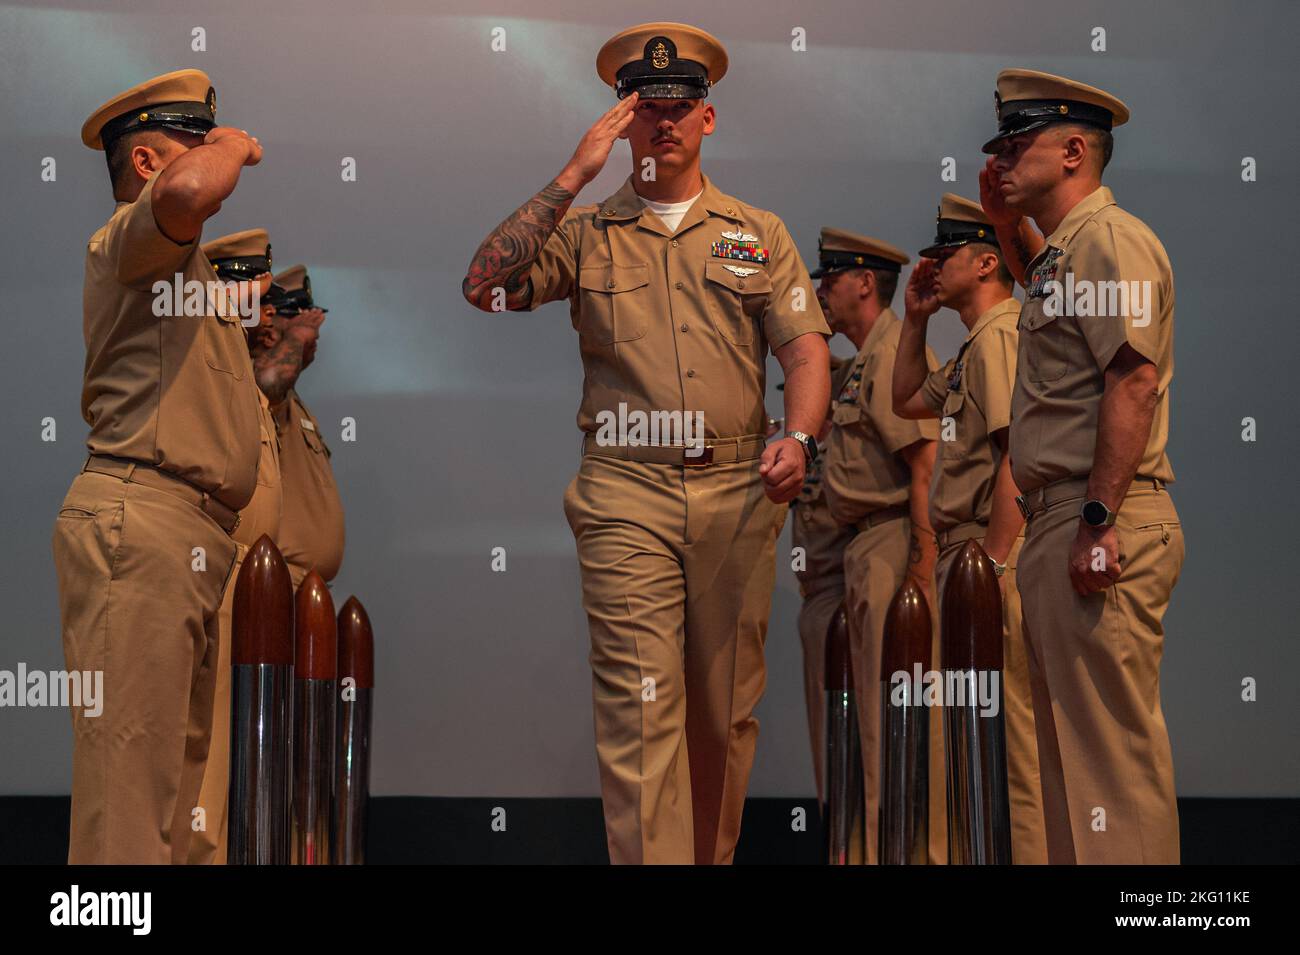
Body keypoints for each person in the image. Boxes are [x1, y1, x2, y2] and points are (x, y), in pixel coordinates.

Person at [461, 22, 831, 864]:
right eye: (645, 107)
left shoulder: (757, 233)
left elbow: (806, 350)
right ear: (622, 121)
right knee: (639, 706)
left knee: (721, 713)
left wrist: (801, 437)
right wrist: (570, 176)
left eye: (681, 106)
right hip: (626, 493)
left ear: (709, 118)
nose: (664, 121)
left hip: (739, 491)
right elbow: (484, 286)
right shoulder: (587, 234)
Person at [55, 69, 264, 863]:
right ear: (148, 165)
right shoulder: (132, 236)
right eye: (196, 138)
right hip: (140, 520)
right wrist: (234, 146)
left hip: (187, 535)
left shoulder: (187, 278)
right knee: (128, 815)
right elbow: (187, 196)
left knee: (175, 813)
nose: (217, 150)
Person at [980, 68, 1183, 863]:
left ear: (1073, 150)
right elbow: (1061, 309)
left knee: (1111, 772)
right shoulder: (1070, 249)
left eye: (1016, 142)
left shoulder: (1109, 237)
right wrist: (1005, 232)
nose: (999, 157)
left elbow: (1130, 376)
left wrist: (1098, 518)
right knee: (1071, 776)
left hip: (1101, 516)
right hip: (1062, 517)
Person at [891, 193, 1047, 863]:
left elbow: (1019, 451)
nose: (932, 265)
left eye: (945, 253)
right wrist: (915, 321)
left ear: (988, 261)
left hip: (988, 549)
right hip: (965, 555)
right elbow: (904, 400)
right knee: (971, 745)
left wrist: (998, 562)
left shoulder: (1003, 334)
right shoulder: (972, 346)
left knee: (1009, 749)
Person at [815, 228, 943, 864]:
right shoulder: (865, 359)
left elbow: (926, 462)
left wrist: (921, 570)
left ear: (865, 283)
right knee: (870, 721)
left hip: (892, 543)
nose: (820, 292)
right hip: (868, 547)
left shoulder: (892, 352)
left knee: (891, 723)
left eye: (831, 279)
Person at [258, 265, 341, 589]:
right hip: (273, 585)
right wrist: (295, 336)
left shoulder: (293, 403)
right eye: (296, 314)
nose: (313, 333)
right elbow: (268, 381)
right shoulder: (257, 388)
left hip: (301, 590)